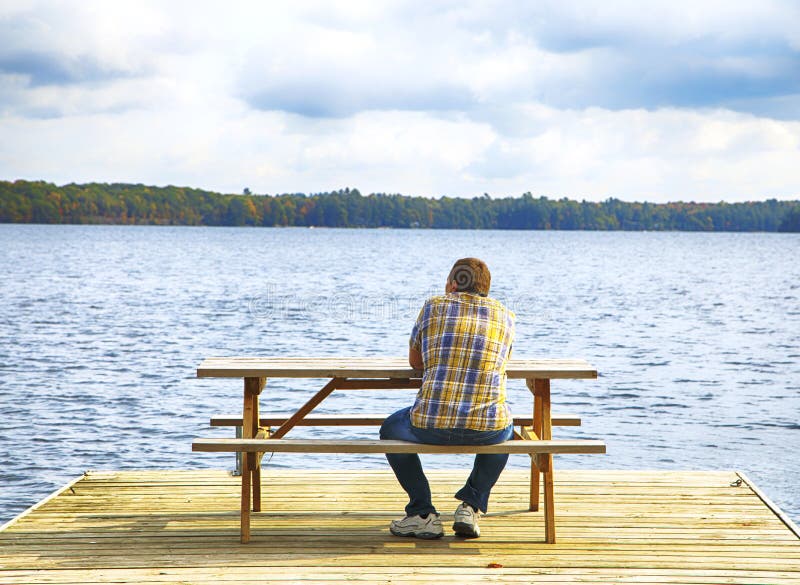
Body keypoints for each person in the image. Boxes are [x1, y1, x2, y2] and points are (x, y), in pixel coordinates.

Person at [380, 257, 515, 539]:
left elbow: (416, 362)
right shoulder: (505, 315)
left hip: (430, 425)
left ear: (453, 283)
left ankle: (422, 513)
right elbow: (504, 362)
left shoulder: (434, 306)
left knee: (389, 429)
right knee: (507, 430)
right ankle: (471, 504)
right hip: (485, 431)